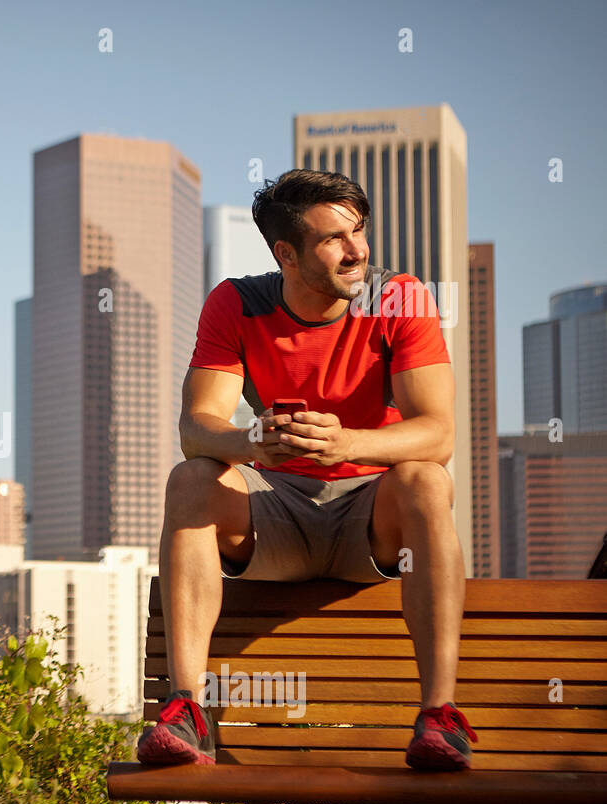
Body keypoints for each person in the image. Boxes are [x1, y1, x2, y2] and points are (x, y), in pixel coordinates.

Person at [136, 169, 477, 771]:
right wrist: (252, 442)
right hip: (275, 516)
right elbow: (196, 430)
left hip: (371, 519)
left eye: (359, 231)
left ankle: (439, 716)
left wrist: (347, 443)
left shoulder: (397, 298)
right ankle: (187, 710)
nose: (357, 251)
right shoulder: (237, 302)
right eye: (334, 239)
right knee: (191, 480)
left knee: (427, 478)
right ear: (286, 254)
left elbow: (439, 434)